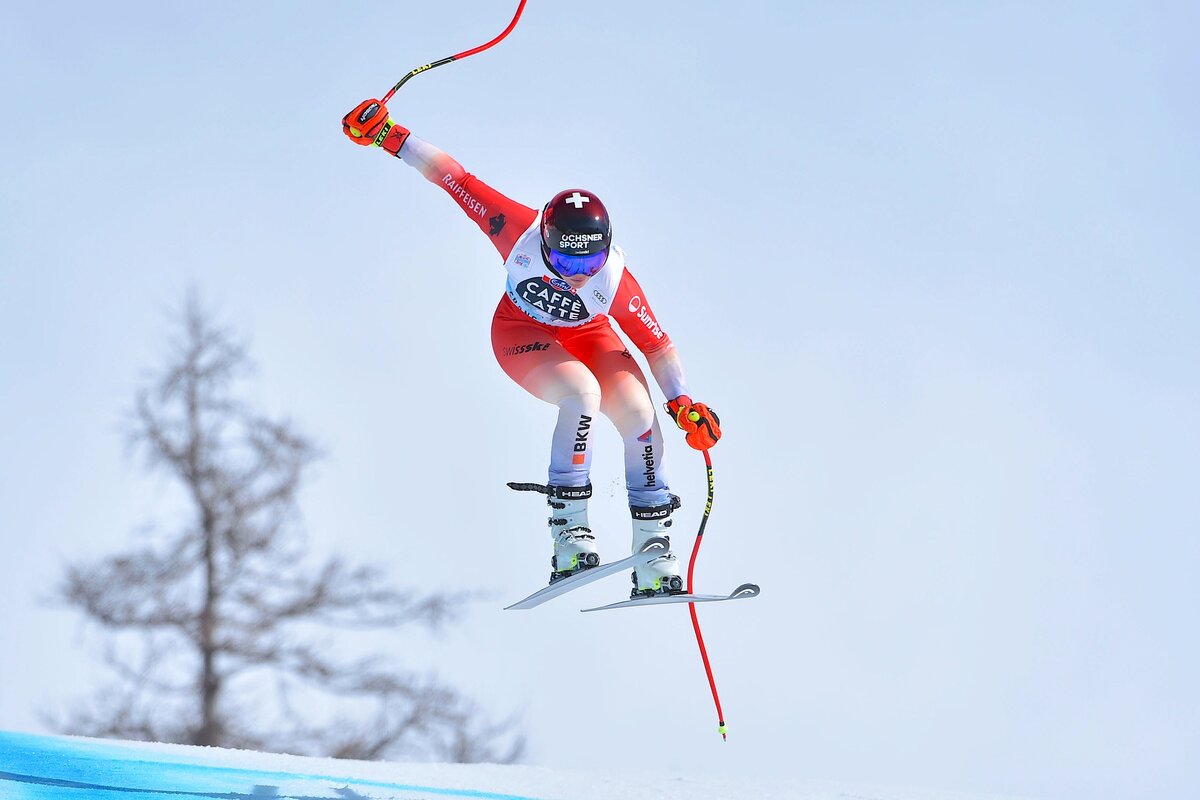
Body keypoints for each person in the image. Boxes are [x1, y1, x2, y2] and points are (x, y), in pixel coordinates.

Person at [342, 98, 721, 597]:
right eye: (563, 261)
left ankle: (653, 553)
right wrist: (390, 135)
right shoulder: (514, 229)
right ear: (544, 240)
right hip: (521, 334)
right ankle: (570, 537)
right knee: (581, 393)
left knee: (639, 415)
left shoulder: (614, 282)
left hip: (589, 336)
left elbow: (658, 346)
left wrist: (682, 403)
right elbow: (453, 178)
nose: (576, 276)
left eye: (589, 265)